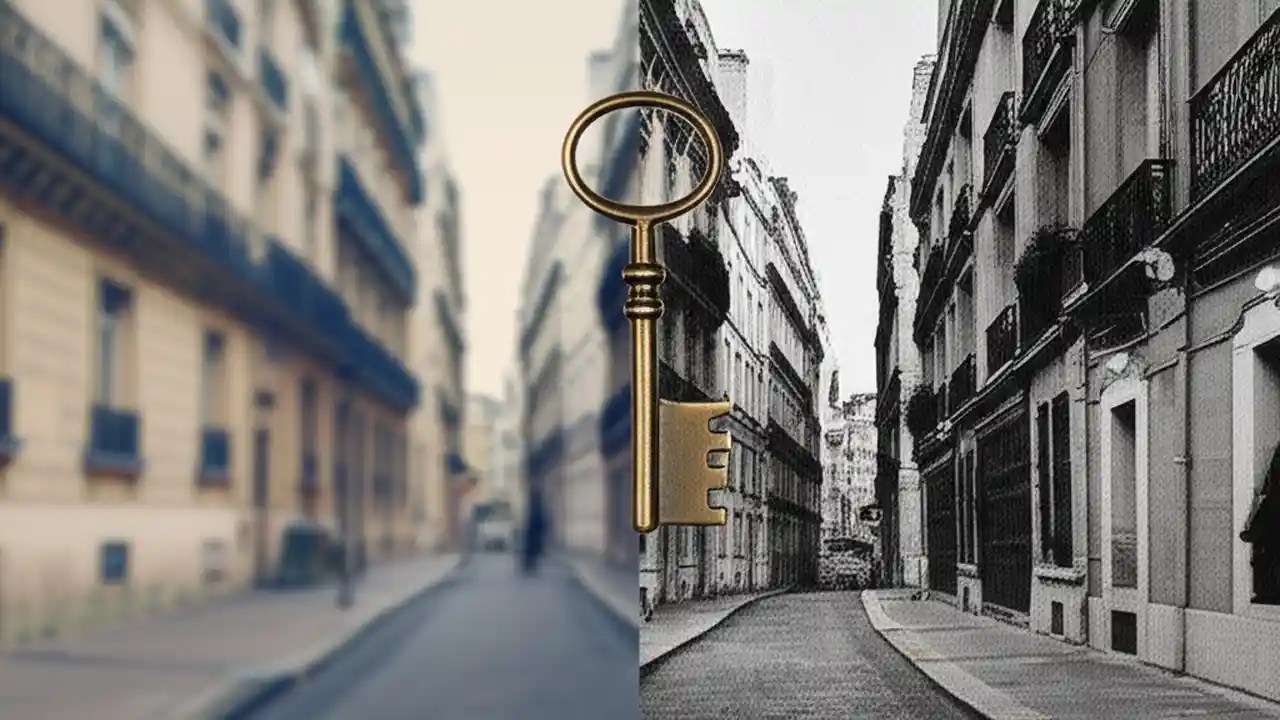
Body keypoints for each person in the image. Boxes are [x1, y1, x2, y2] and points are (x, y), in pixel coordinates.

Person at [522, 488, 547, 574]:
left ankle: (530, 565)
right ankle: (530, 565)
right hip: (534, 535)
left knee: (532, 551)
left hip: (534, 535)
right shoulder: (537, 509)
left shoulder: (536, 509)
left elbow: (539, 524)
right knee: (532, 551)